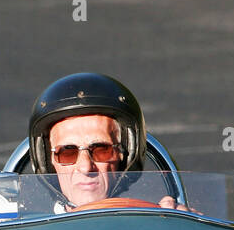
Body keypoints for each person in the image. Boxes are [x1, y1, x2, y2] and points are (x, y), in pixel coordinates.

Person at [28, 72, 186, 211]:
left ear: (125, 154)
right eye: (67, 152)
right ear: (47, 162)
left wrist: (178, 229)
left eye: (101, 150)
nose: (85, 167)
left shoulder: (155, 223)